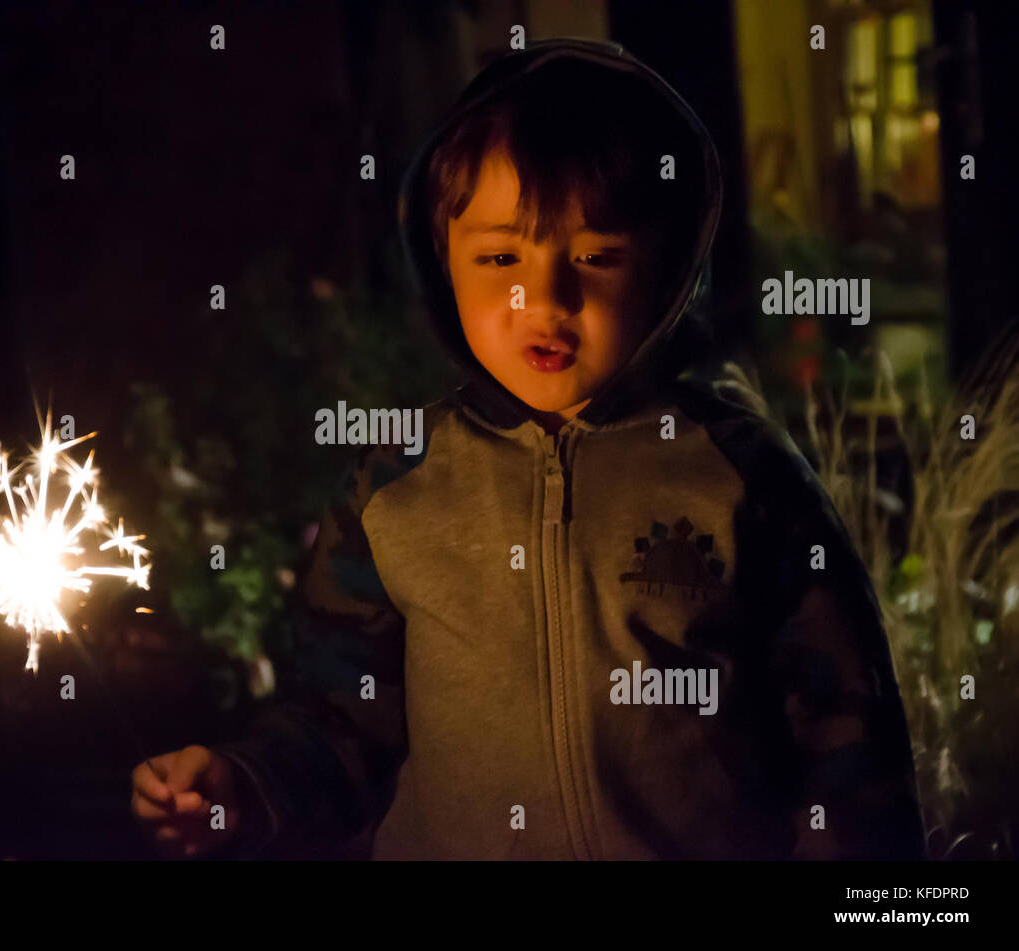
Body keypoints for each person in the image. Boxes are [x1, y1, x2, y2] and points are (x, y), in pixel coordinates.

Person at [131, 38, 926, 860]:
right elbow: (341, 724)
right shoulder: (395, 483)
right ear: (443, 260)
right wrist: (237, 784)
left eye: (594, 257)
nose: (543, 299)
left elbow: (846, 736)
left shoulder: (738, 475)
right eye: (501, 255)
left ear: (669, 265)